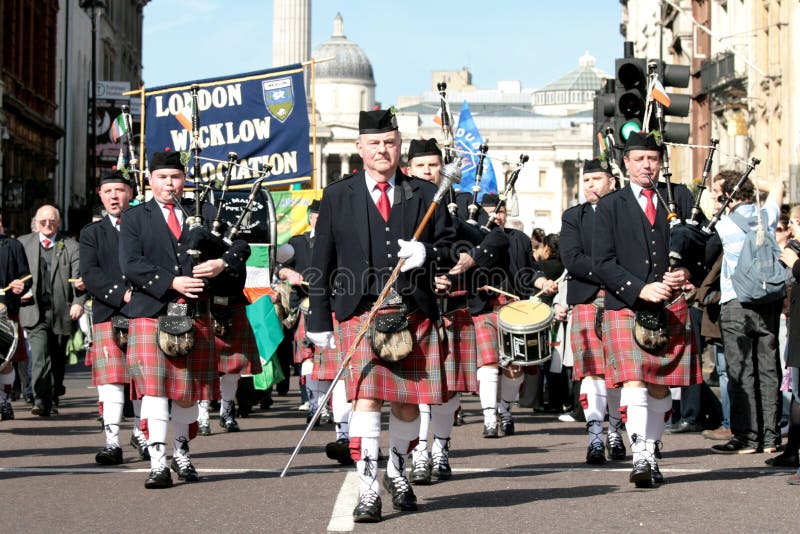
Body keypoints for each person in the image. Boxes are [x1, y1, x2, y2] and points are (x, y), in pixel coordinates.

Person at [306, 110, 454, 522]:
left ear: (399, 145)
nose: (382, 150)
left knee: (408, 404)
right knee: (366, 400)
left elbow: (450, 244)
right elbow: (322, 260)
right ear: (360, 147)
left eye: (390, 142)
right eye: (374, 143)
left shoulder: (426, 193)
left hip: (413, 313)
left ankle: (397, 471)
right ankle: (369, 487)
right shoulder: (338, 195)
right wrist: (318, 319)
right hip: (360, 310)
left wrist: (427, 254)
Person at [119, 150, 245, 488]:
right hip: (152, 311)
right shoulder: (135, 218)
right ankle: (158, 462)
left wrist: (222, 263)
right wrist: (171, 281)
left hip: (195, 315)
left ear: (184, 180)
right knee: (156, 392)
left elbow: (239, 246)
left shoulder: (202, 213)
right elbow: (130, 263)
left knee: (187, 393)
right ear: (150, 180)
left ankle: (182, 452)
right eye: (162, 177)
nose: (169, 184)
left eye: (175, 177)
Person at [593, 131, 701, 487]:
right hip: (626, 304)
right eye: (639, 159)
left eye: (652, 159)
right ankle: (639, 455)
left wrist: (689, 270)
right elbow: (602, 261)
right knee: (635, 380)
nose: (646, 165)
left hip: (672, 304)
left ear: (661, 163)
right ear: (626, 163)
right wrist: (640, 288)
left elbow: (705, 242)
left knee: (660, 386)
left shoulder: (680, 197)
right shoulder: (610, 205)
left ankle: (652, 449)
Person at [405, 138, 503, 484]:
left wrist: (469, 261)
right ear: (408, 170)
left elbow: (496, 240)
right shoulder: (403, 203)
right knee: (419, 388)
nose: (428, 172)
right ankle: (418, 454)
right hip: (417, 308)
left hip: (455, 308)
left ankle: (440, 450)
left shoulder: (461, 204)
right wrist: (429, 279)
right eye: (421, 166)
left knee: (448, 389)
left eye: (434, 165)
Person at [467, 194, 556, 438]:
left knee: (515, 370)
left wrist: (544, 282)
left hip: (515, 309)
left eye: (500, 211)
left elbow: (530, 272)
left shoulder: (519, 239)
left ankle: (505, 409)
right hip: (484, 309)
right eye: (489, 212)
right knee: (488, 366)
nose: (496, 216)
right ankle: (488, 419)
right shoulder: (471, 237)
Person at [710, 170, 784, 454]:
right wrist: (752, 182)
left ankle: (747, 437)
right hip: (768, 300)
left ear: (727, 197)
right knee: (768, 369)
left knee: (741, 372)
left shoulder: (724, 225)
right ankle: (771, 437)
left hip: (735, 301)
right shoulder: (768, 216)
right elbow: (776, 184)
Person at [79, 170, 149, 463]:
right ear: (100, 195)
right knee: (111, 381)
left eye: (119, 190)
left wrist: (141, 294)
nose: (113, 196)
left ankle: (142, 435)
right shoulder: (91, 233)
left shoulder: (145, 225)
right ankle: (111, 443)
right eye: (107, 191)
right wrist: (122, 294)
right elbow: (90, 273)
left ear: (130, 194)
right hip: (109, 311)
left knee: (142, 380)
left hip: (144, 310)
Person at [560, 158, 625, 464]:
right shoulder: (573, 216)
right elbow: (572, 259)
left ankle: (616, 431)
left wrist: (615, 277)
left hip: (619, 297)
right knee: (592, 371)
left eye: (596, 179)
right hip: (587, 297)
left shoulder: (626, 211)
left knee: (618, 373)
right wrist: (610, 272)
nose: (589, 185)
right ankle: (595, 437)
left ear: (612, 181)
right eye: (586, 180)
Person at [278, 199, 346, 462]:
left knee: (337, 365)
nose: (318, 219)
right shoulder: (296, 242)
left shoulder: (342, 239)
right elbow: (277, 263)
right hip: (308, 304)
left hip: (339, 305)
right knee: (308, 358)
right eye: (315, 215)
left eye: (322, 215)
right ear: (309, 218)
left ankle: (338, 421)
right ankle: (317, 405)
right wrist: (288, 274)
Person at [18, 205, 85, 416]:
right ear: (36, 223)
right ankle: (40, 399)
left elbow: (79, 277)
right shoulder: (23, 243)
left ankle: (53, 396)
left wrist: (78, 302)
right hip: (32, 309)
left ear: (59, 223)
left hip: (61, 311)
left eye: (52, 221)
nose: (47, 225)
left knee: (57, 357)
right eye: (43, 222)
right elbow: (15, 272)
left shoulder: (71, 246)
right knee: (38, 355)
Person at [0, 208, 32, 421]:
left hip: (6, 311)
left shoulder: (13, 245)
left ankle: (4, 401)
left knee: (6, 362)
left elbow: (26, 276)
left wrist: (21, 284)